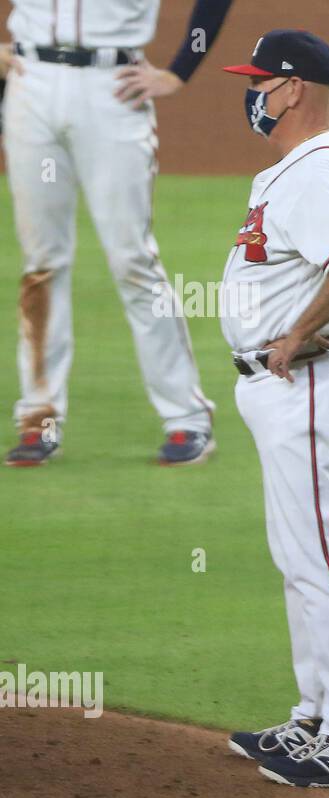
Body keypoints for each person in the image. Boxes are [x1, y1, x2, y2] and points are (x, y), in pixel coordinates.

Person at [219, 30, 329, 787]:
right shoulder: (292, 171)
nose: (251, 93)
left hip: (308, 383)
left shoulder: (318, 173)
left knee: (319, 557)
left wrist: (296, 333)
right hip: (284, 388)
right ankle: (316, 714)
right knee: (299, 560)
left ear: (293, 89)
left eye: (259, 81)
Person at [0, 0, 233, 467]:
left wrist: (180, 70)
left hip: (113, 88)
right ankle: (39, 417)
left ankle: (187, 416)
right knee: (42, 262)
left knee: (133, 259)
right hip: (30, 83)